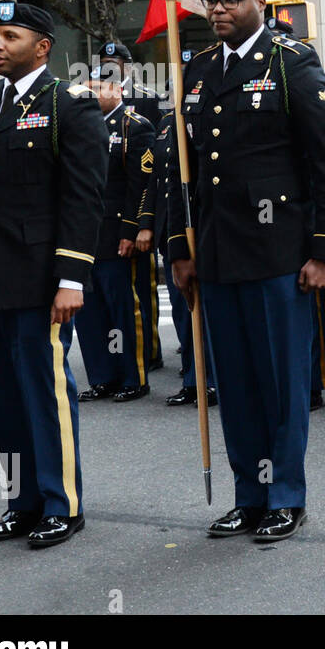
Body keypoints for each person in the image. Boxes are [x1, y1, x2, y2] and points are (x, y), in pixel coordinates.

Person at [168, 0, 325, 541]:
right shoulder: (197, 71)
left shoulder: (291, 63)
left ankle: (285, 495)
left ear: (260, 3)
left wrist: (324, 251)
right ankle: (248, 494)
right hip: (218, 254)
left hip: (278, 253)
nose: (218, 10)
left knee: (280, 380)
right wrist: (181, 247)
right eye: (211, 2)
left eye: (230, 0)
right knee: (237, 383)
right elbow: (181, 173)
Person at [0, 0, 107, 547]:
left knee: (44, 390)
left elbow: (83, 197)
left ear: (42, 47)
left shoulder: (70, 104)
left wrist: (72, 279)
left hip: (41, 277)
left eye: (10, 36)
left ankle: (61, 504)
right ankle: (21, 503)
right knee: (3, 393)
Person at [74, 77, 154, 404]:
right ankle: (102, 376)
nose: (93, 94)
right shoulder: (79, 125)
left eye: (99, 88)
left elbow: (141, 183)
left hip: (116, 233)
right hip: (84, 235)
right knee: (90, 314)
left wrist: (131, 230)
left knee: (122, 309)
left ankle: (132, 377)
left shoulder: (135, 126)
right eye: (87, 89)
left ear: (118, 90)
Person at [138, 107, 217, 407]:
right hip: (171, 231)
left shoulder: (204, 115)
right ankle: (193, 378)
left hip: (201, 230)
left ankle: (212, 381)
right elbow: (156, 181)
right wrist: (146, 223)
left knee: (208, 314)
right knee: (184, 312)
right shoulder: (167, 123)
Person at [99, 41, 165, 372]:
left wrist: (144, 220)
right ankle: (119, 355)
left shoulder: (148, 100)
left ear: (129, 66)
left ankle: (149, 349)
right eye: (105, 62)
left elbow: (150, 166)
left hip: (136, 203)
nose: (112, 67)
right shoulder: (93, 100)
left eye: (116, 62)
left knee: (142, 288)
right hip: (107, 214)